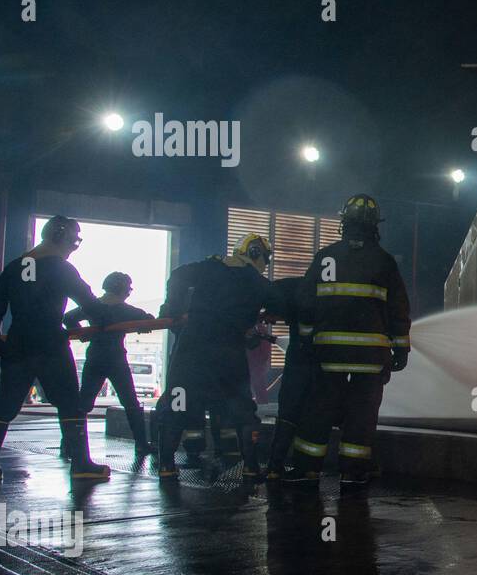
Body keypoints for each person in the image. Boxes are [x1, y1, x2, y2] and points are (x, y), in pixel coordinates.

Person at [284, 195, 410, 489]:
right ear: (375, 226)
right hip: (370, 359)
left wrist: (305, 340)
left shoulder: (326, 257)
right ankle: (353, 472)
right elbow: (398, 309)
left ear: (344, 222)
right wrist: (401, 347)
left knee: (319, 410)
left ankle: (307, 468)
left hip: (328, 355)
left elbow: (305, 303)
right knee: (362, 415)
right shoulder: (385, 261)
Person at [0, 216, 111, 482]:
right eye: (74, 241)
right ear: (61, 238)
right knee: (70, 405)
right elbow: (88, 301)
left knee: (5, 406)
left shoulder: (17, 266)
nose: (73, 247)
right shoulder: (60, 268)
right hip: (51, 344)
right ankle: (82, 464)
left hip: (17, 344)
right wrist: (107, 321)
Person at [156, 234, 279, 480]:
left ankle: (166, 466)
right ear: (258, 255)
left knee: (177, 405)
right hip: (229, 353)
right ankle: (251, 466)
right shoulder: (258, 282)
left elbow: (178, 275)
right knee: (243, 409)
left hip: (191, 351)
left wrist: (172, 310)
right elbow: (279, 304)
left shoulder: (209, 266)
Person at [64, 272, 155, 459]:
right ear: (124, 290)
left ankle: (69, 445)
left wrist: (83, 334)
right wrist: (142, 326)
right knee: (131, 403)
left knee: (83, 404)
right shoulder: (126, 311)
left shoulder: (92, 307)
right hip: (116, 359)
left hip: (95, 357)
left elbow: (68, 318)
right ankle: (141, 444)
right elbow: (149, 319)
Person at [263, 275, 315, 479]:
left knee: (288, 413)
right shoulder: (307, 293)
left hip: (299, 363)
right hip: (318, 364)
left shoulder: (280, 292)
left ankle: (275, 467)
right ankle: (307, 469)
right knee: (311, 414)